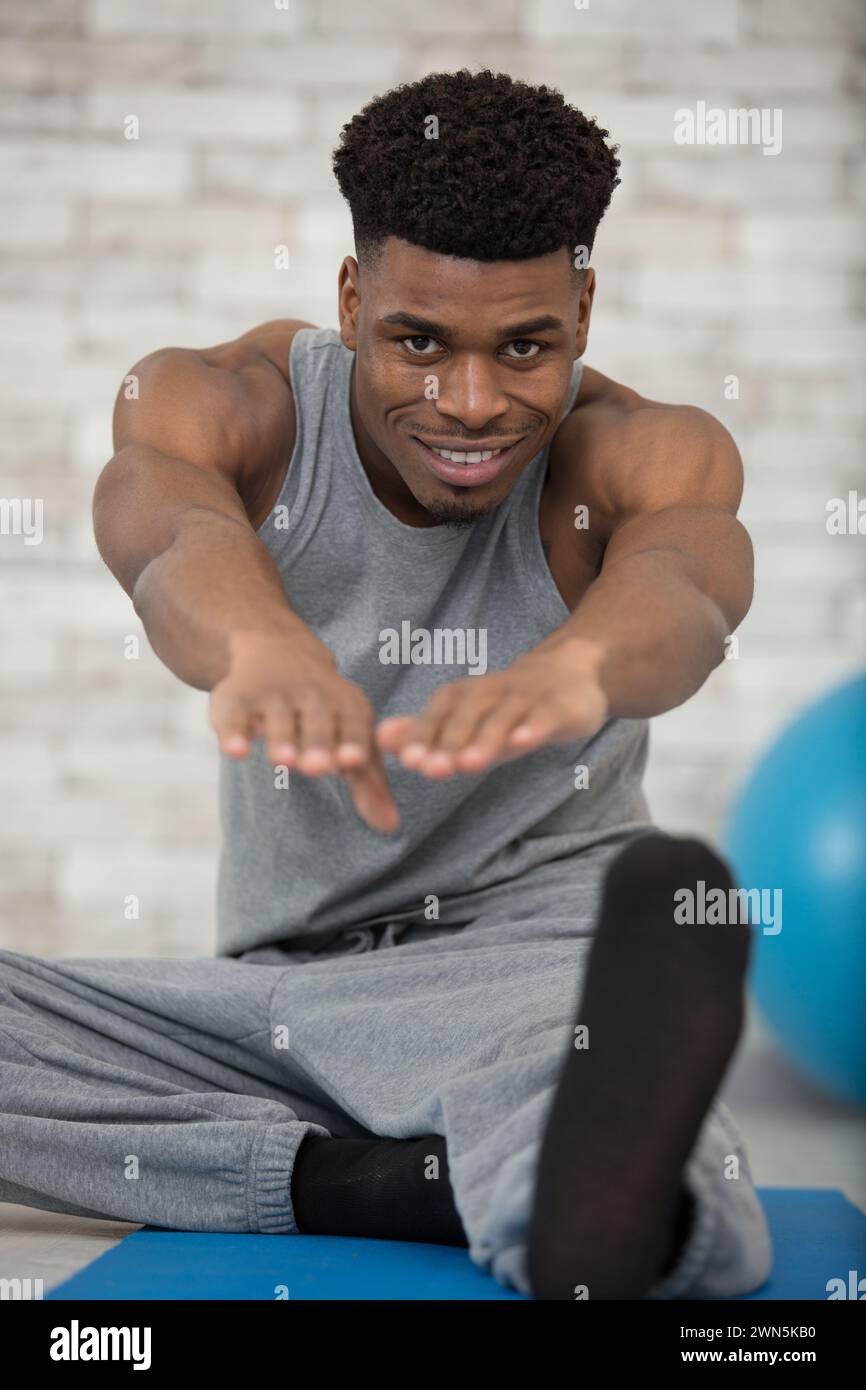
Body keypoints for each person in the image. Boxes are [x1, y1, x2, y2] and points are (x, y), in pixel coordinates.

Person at [0, 69, 772, 1300]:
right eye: (420, 342)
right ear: (352, 299)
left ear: (584, 303)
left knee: (588, 1097)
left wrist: (580, 661)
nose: (471, 404)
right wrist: (259, 641)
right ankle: (381, 1181)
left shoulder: (635, 447)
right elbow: (159, 517)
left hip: (528, 967)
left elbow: (690, 574)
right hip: (277, 1010)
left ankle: (594, 1212)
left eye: (526, 346)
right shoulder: (233, 403)